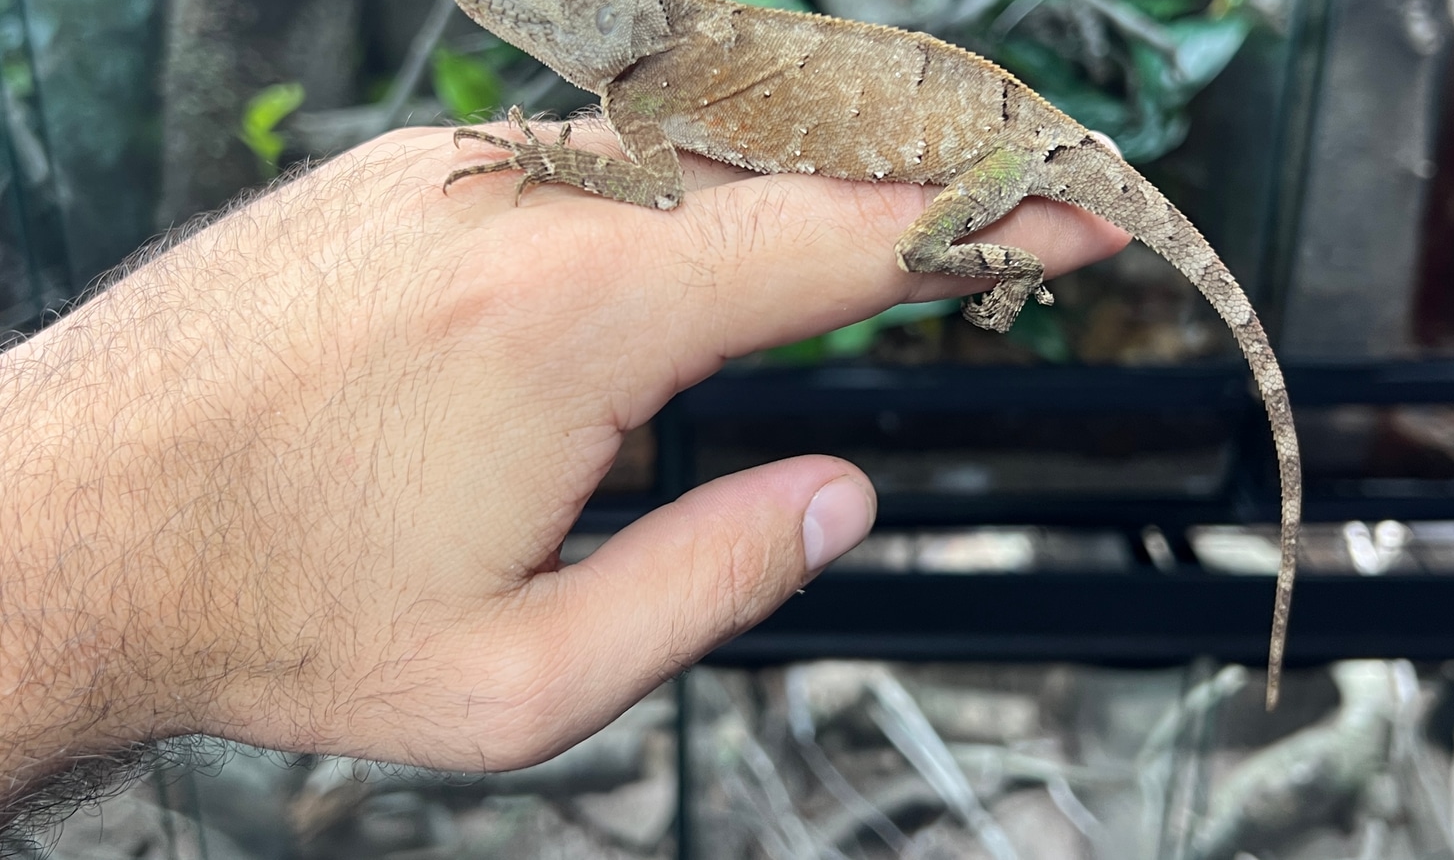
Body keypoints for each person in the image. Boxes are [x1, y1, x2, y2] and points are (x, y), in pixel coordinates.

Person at [0, 124, 1128, 829]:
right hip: (987, 141)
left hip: (987, 150)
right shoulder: (658, 82)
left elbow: (656, 188)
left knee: (920, 247)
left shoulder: (660, 82)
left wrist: (547, 160)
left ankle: (1006, 281)